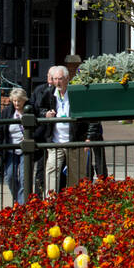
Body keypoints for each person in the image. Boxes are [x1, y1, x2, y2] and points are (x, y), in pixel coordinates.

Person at [41, 65, 85, 195]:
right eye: (55, 79)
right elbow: (39, 108)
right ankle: (50, 202)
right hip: (56, 142)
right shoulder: (49, 93)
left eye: (60, 79)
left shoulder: (75, 93)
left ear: (67, 79)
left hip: (74, 142)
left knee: (75, 175)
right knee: (51, 171)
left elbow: (87, 116)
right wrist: (46, 114)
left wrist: (87, 137)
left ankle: (73, 203)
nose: (57, 82)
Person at [28, 71, 58, 194]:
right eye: (49, 75)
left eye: (53, 75)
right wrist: (44, 114)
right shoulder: (39, 90)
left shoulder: (62, 91)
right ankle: (38, 197)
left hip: (55, 136)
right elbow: (33, 109)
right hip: (41, 135)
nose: (50, 77)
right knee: (40, 169)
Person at [0, 87, 28, 206]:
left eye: (19, 101)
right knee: (10, 176)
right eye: (15, 101)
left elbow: (38, 129)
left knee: (23, 177)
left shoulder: (29, 110)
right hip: (10, 148)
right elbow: (0, 131)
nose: (17, 103)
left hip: (25, 149)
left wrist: (29, 136)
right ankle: (18, 199)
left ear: (24, 100)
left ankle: (21, 205)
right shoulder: (7, 112)